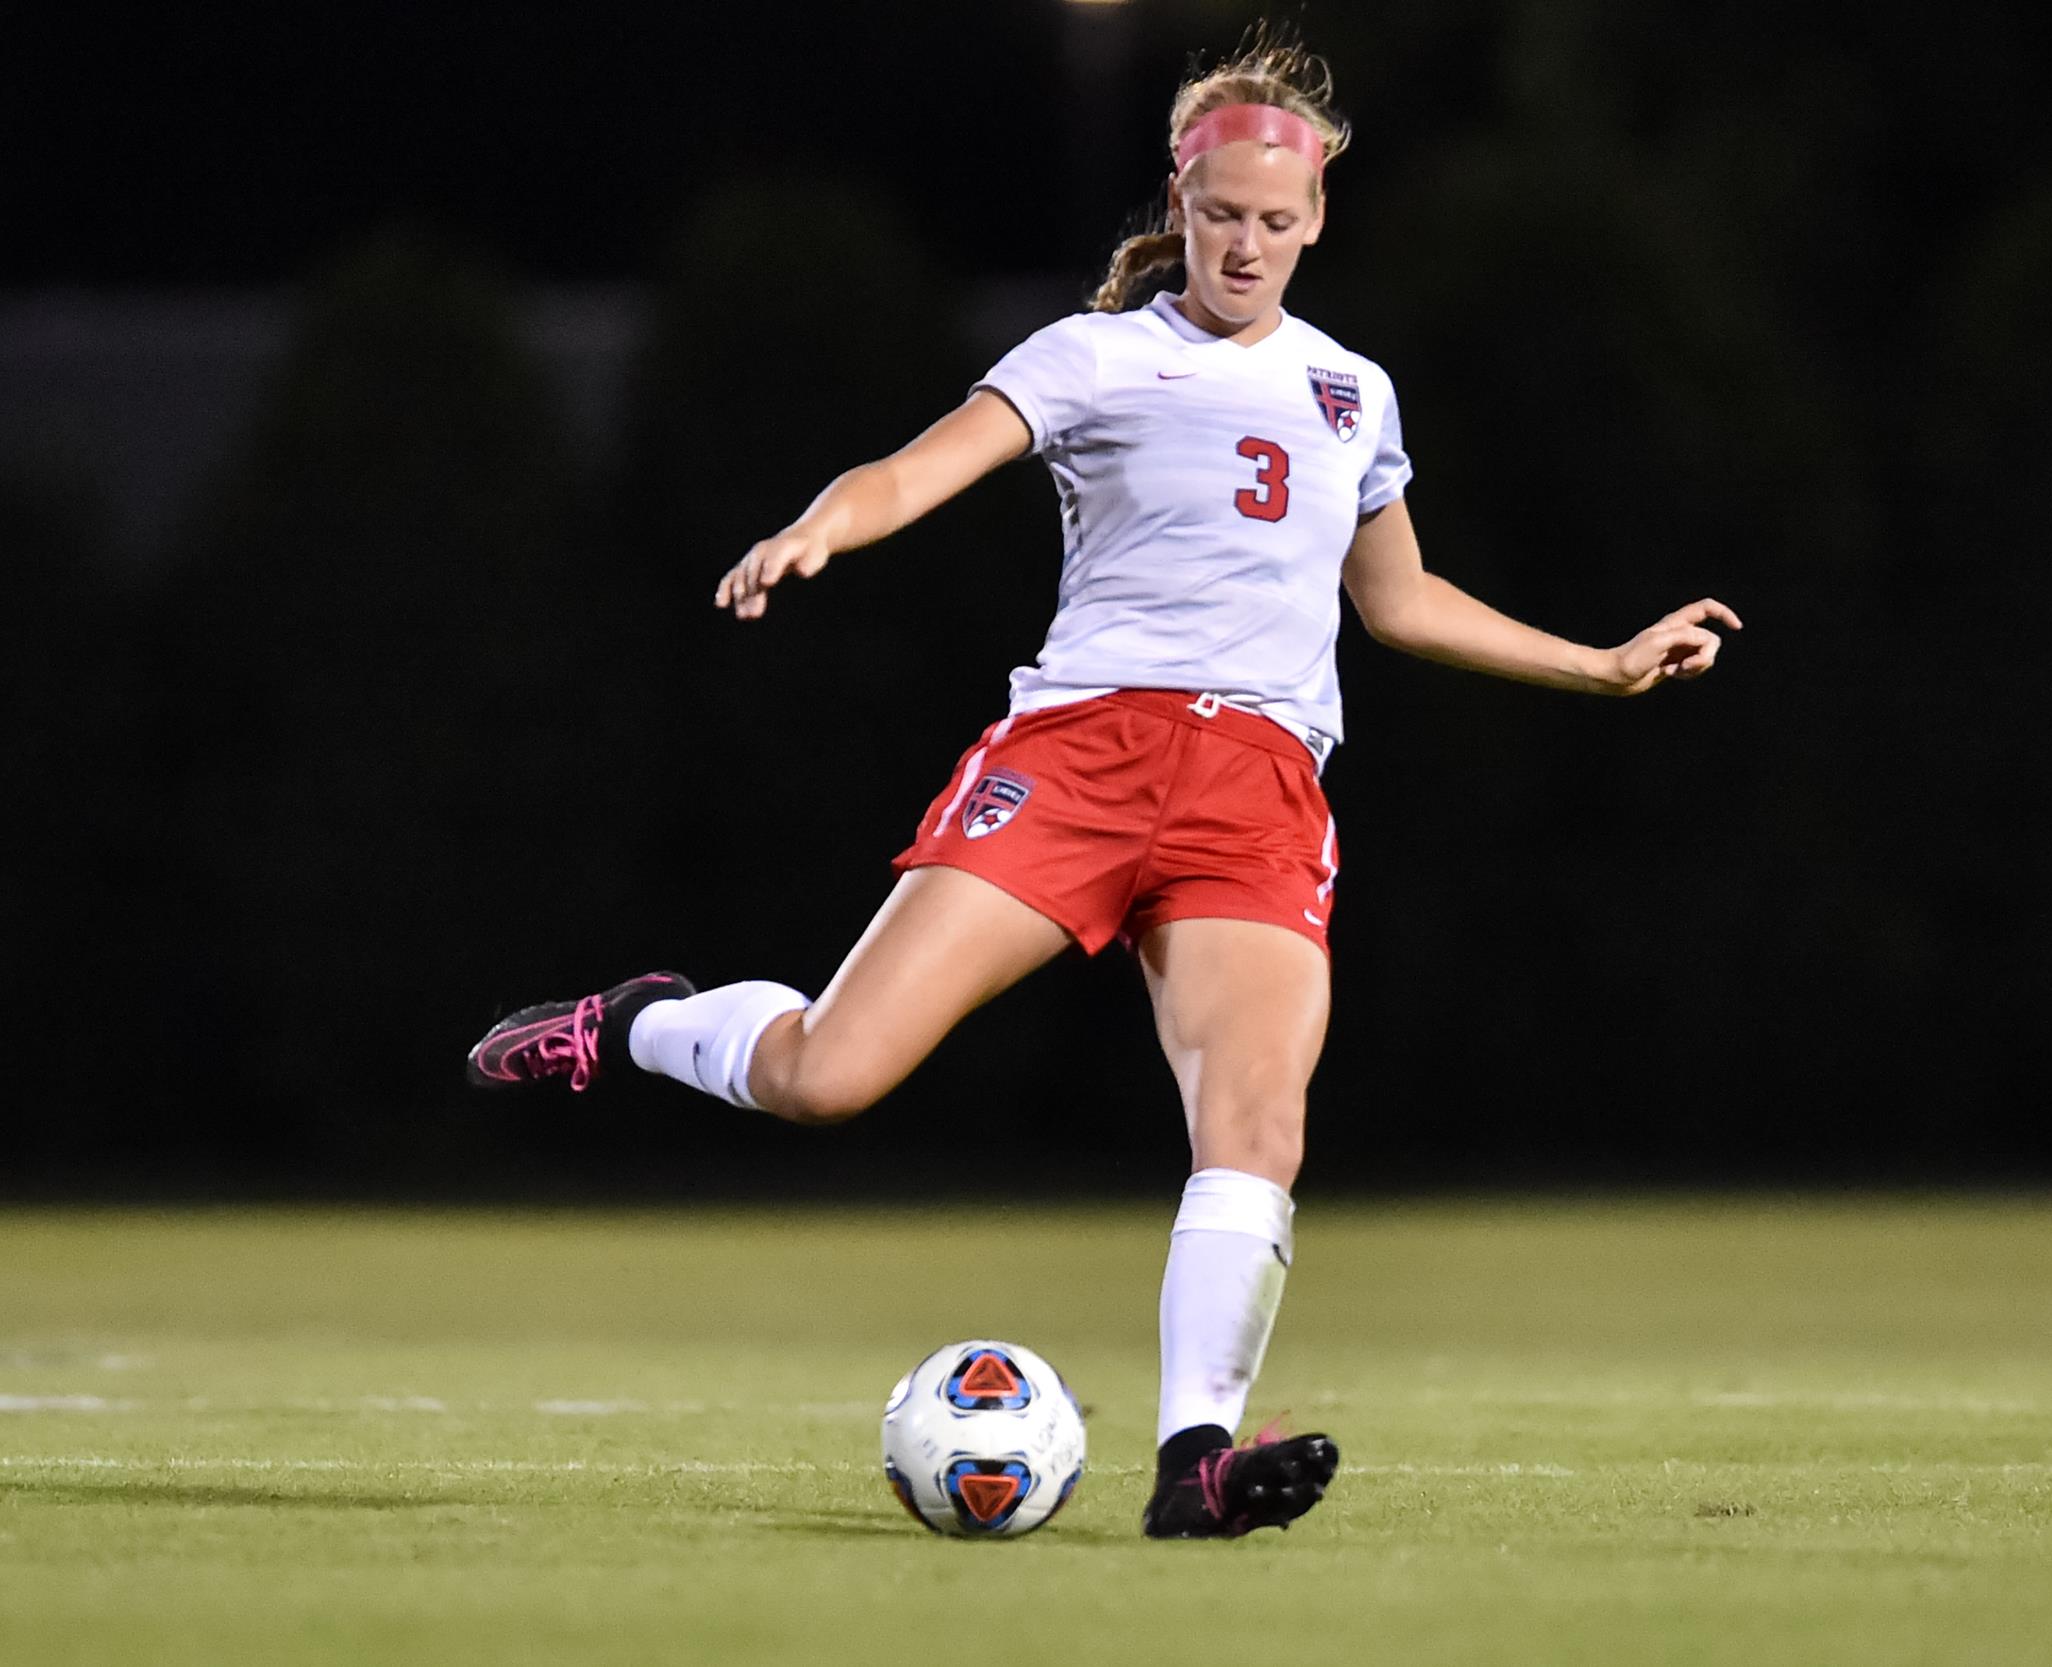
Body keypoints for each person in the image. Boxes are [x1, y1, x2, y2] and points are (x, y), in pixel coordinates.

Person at [465, 37, 1739, 1540]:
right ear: (1183, 207)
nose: (1247, 243)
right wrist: (820, 528)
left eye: (1276, 220)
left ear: (1317, 215)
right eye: (1222, 218)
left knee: (1258, 1123)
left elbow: (1395, 602)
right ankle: (640, 1021)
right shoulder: (1097, 355)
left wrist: (1597, 665)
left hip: (1261, 780)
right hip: (1081, 755)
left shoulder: (1352, 392)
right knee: (831, 1074)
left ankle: (1195, 1462)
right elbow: (914, 467)